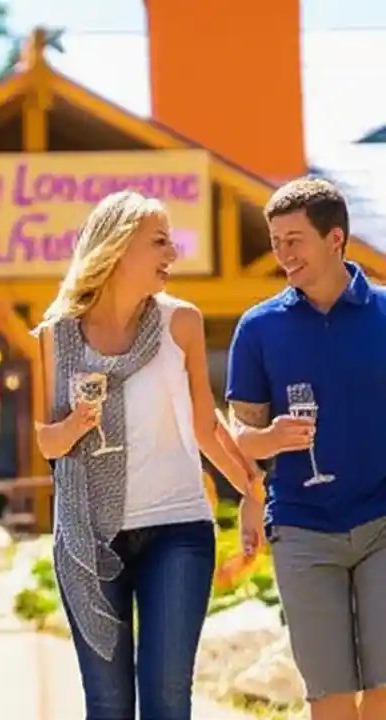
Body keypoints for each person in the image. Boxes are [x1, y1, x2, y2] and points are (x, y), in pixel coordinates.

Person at [33, 190, 257, 719]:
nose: (172, 254)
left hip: (177, 527)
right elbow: (47, 443)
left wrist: (253, 490)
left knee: (166, 699)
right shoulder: (56, 335)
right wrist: (76, 424)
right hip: (88, 538)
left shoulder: (182, 323)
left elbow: (207, 427)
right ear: (117, 247)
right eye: (159, 241)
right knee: (108, 705)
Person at [226, 177, 386, 720]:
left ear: (335, 238)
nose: (282, 253)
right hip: (301, 529)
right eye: (275, 240)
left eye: (294, 239)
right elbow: (238, 434)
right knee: (331, 700)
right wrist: (267, 441)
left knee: (385, 692)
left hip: (383, 519)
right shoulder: (258, 328)